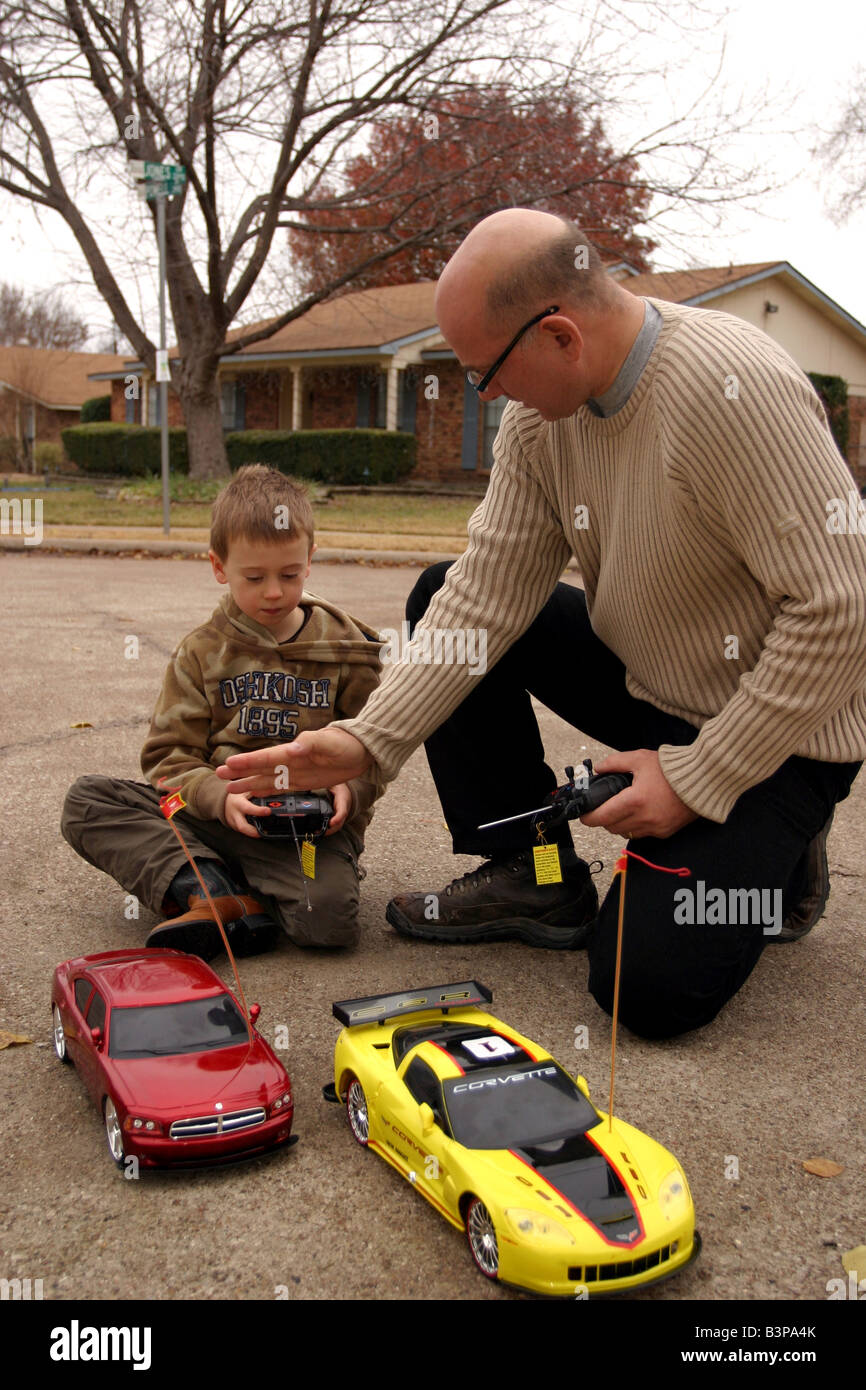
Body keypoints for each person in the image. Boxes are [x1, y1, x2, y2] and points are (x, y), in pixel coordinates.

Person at [215, 210, 866, 1038]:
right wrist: (367, 740)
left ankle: (778, 857)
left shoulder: (734, 390)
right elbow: (486, 594)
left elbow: (843, 607)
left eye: (486, 373)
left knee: (648, 987)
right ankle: (536, 870)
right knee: (441, 590)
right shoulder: (542, 419)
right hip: (652, 684)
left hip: (785, 727)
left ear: (558, 335)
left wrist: (699, 779)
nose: (486, 397)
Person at [61, 464, 383, 959]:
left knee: (328, 924)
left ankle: (237, 888)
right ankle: (208, 889)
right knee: (88, 802)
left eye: (290, 574)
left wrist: (350, 786)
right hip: (206, 816)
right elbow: (170, 759)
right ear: (219, 567)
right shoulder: (200, 652)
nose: (273, 591)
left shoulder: (348, 652)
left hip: (303, 835)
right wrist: (217, 797)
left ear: (310, 561)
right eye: (254, 577)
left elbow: (377, 749)